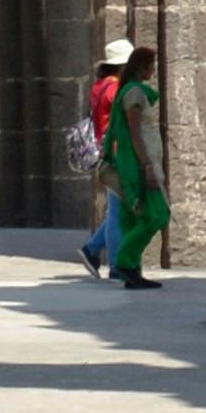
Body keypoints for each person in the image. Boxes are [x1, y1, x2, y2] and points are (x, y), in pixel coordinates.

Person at [96, 43, 169, 288]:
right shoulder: (134, 95)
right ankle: (126, 263)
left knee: (131, 218)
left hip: (134, 162)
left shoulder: (130, 91)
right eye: (151, 65)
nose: (153, 70)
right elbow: (135, 133)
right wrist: (147, 166)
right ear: (141, 67)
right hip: (137, 164)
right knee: (157, 214)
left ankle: (132, 271)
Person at [75, 32, 128, 272]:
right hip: (116, 151)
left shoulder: (100, 86)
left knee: (119, 207)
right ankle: (115, 265)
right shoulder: (114, 89)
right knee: (118, 209)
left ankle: (92, 249)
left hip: (106, 149)